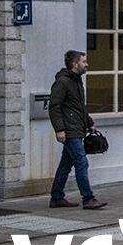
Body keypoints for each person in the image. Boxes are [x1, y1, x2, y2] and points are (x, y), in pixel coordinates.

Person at [48, 50, 106, 210]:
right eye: (84, 62)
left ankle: (57, 197)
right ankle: (88, 198)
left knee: (66, 164)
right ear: (75, 64)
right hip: (70, 130)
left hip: (77, 128)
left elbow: (79, 106)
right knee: (81, 162)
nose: (86, 64)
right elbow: (54, 107)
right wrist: (59, 129)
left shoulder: (76, 81)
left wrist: (89, 122)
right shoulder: (63, 82)